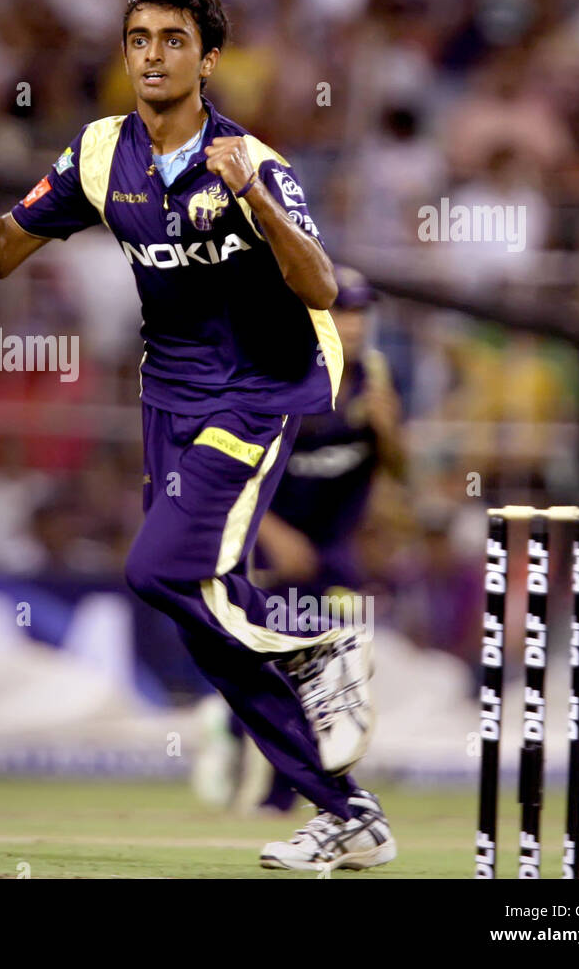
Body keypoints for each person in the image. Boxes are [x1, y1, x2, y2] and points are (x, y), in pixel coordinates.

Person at [0, 0, 393, 871]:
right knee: (201, 608)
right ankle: (346, 812)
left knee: (156, 570)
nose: (152, 54)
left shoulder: (250, 158)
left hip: (264, 388)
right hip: (168, 394)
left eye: (173, 40)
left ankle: (316, 651)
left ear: (209, 59)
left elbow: (321, 286)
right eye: (140, 38)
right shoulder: (102, 156)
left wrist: (255, 201)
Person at [192, 267, 405, 817]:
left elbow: (397, 471)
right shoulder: (282, 375)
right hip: (270, 541)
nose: (354, 325)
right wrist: (275, 535)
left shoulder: (377, 380)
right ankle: (238, 741)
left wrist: (391, 434)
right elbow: (232, 469)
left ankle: (297, 792)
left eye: (360, 313)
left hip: (332, 547)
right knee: (269, 662)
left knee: (338, 660)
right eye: (342, 312)